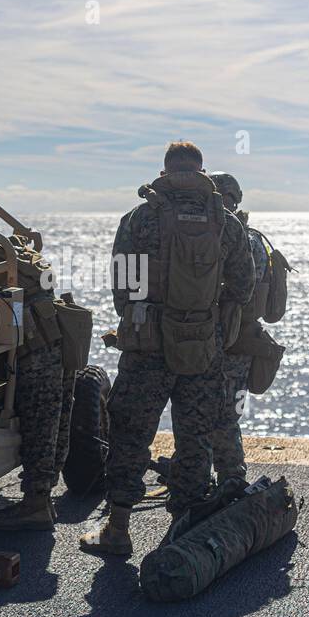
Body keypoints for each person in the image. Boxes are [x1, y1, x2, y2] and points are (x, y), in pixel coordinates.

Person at [79, 141, 254, 557]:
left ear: (165, 170)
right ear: (200, 170)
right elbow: (243, 287)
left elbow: (124, 289)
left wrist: (148, 313)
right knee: (195, 435)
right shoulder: (225, 222)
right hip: (202, 347)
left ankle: (118, 528)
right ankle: (186, 529)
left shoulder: (141, 218)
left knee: (132, 432)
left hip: (147, 346)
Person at [0, 235, 80, 531]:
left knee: (41, 421)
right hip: (56, 335)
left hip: (36, 344)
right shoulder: (3, 247)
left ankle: (36, 503)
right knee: (56, 416)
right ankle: (44, 497)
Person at [206, 171, 270, 484]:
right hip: (244, 340)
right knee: (229, 412)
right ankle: (228, 475)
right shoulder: (255, 237)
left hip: (225, 337)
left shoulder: (232, 235)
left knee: (215, 414)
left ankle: (227, 477)